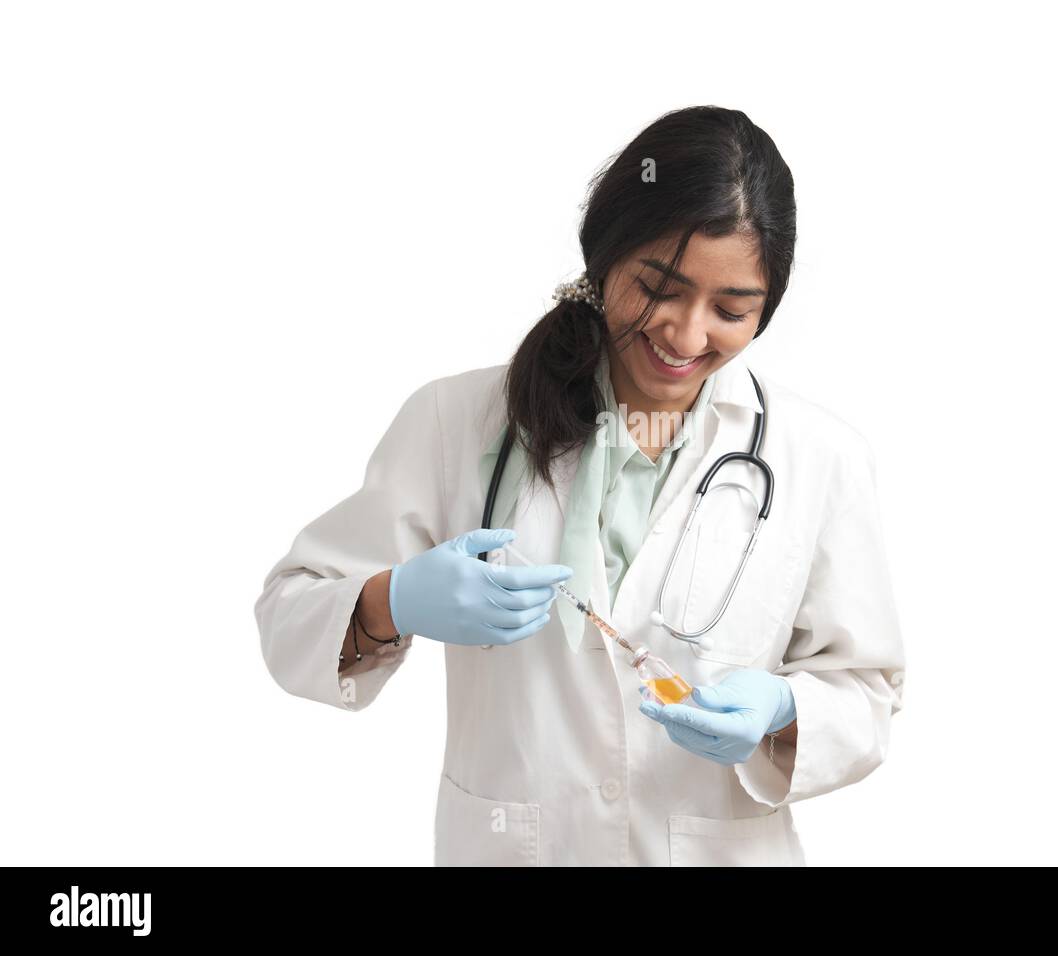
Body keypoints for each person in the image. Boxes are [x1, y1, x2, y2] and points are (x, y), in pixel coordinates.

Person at [254, 105, 906, 866]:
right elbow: (289, 615)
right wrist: (393, 600)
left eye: (732, 310)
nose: (688, 336)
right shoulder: (455, 422)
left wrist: (784, 709)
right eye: (658, 288)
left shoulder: (817, 459)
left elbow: (866, 694)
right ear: (606, 258)